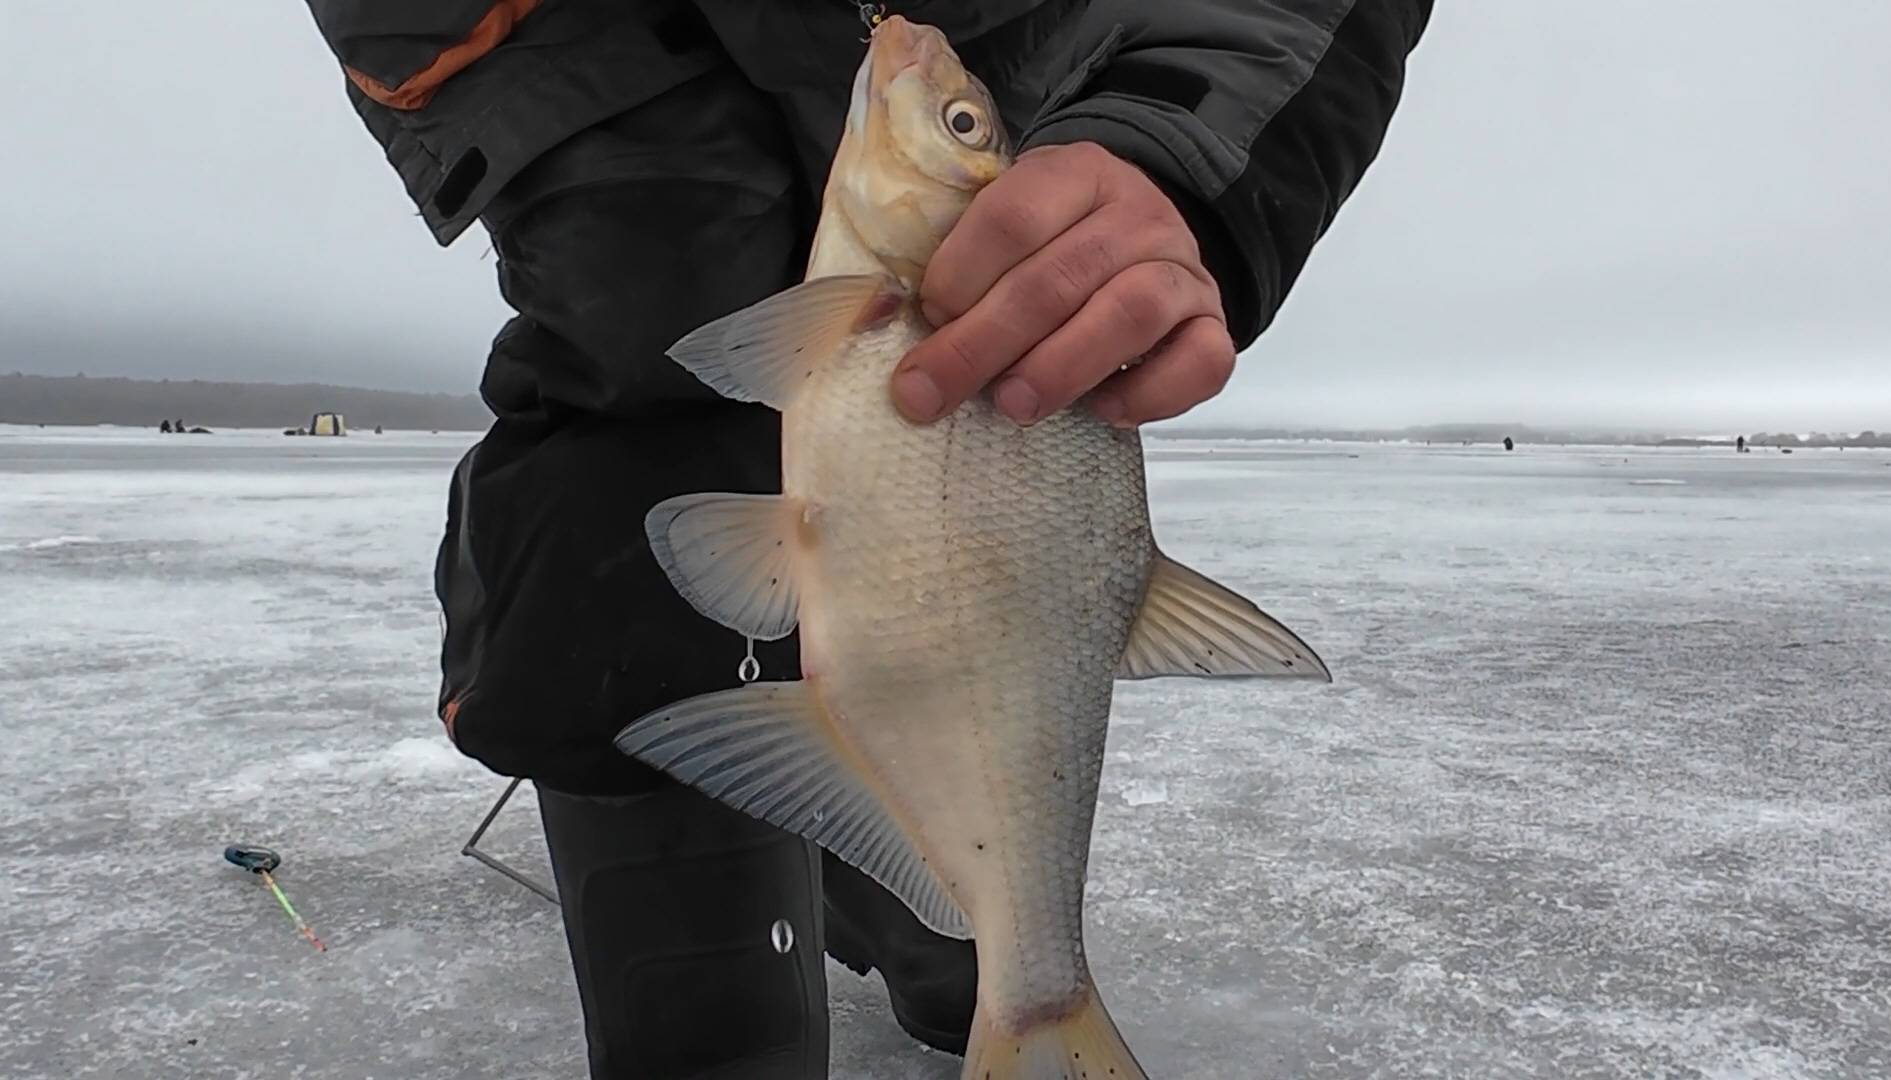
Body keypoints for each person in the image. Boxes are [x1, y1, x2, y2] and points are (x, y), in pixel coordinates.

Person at [300, 2, 1432, 1076]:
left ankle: (955, 924)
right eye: (959, 125)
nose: (932, 91)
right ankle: (750, 984)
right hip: (570, 39)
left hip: (1039, 51)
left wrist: (1173, 148)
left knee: (906, 491)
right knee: (642, 337)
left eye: (957, 125)